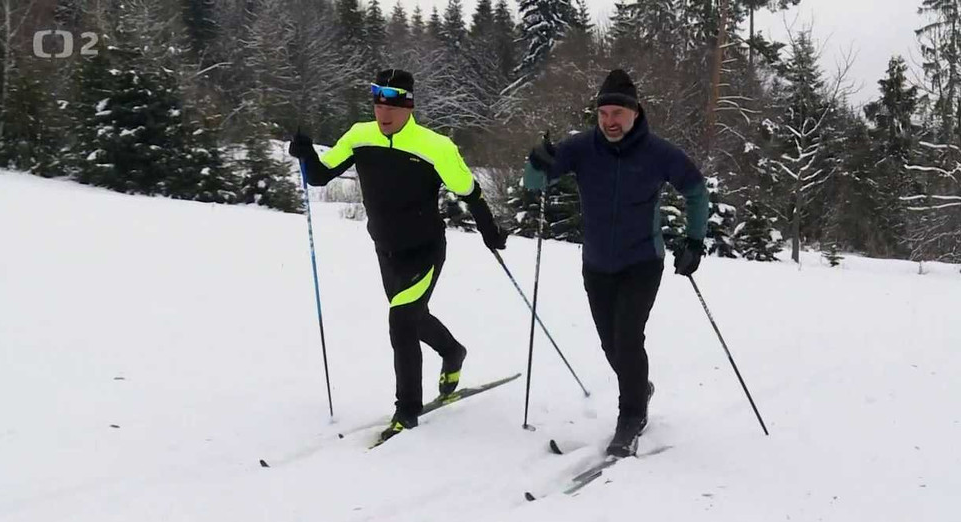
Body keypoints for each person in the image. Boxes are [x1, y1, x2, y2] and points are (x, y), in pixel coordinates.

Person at [289, 69, 508, 442]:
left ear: (409, 105)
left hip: (424, 249)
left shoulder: (435, 146)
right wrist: (306, 153)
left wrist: (490, 232)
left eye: (392, 104)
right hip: (385, 249)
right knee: (412, 318)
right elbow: (321, 177)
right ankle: (453, 351)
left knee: (401, 321)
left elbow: (470, 192)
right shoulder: (360, 136)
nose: (383, 112)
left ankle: (407, 412)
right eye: (378, 102)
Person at [524, 69, 709, 457]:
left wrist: (694, 241)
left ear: (636, 113)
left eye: (618, 114)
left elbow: (696, 191)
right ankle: (639, 387)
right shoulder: (580, 148)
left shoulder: (660, 154)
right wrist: (536, 162)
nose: (610, 121)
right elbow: (535, 186)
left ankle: (631, 415)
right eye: (603, 113)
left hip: (642, 260)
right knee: (611, 345)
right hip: (596, 263)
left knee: (628, 338)